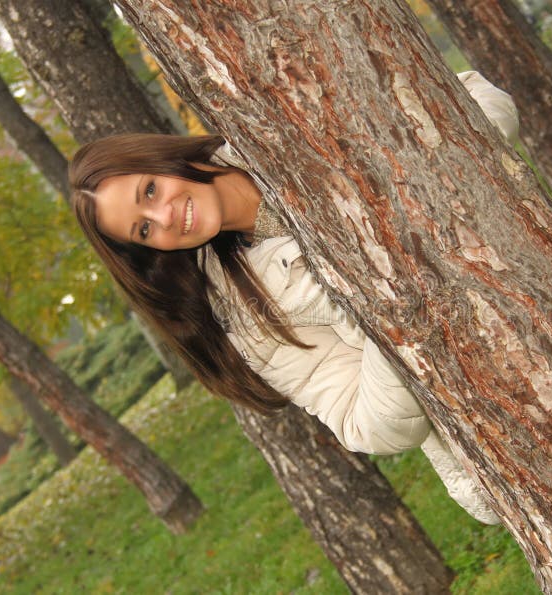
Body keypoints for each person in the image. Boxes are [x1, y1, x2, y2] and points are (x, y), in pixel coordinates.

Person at [69, 71, 519, 525]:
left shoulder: (275, 126)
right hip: (508, 432)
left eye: (149, 189)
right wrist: (392, 312)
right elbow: (369, 425)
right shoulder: (245, 318)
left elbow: (470, 92)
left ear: (163, 159)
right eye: (143, 229)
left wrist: (434, 206)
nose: (164, 216)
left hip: (548, 299)